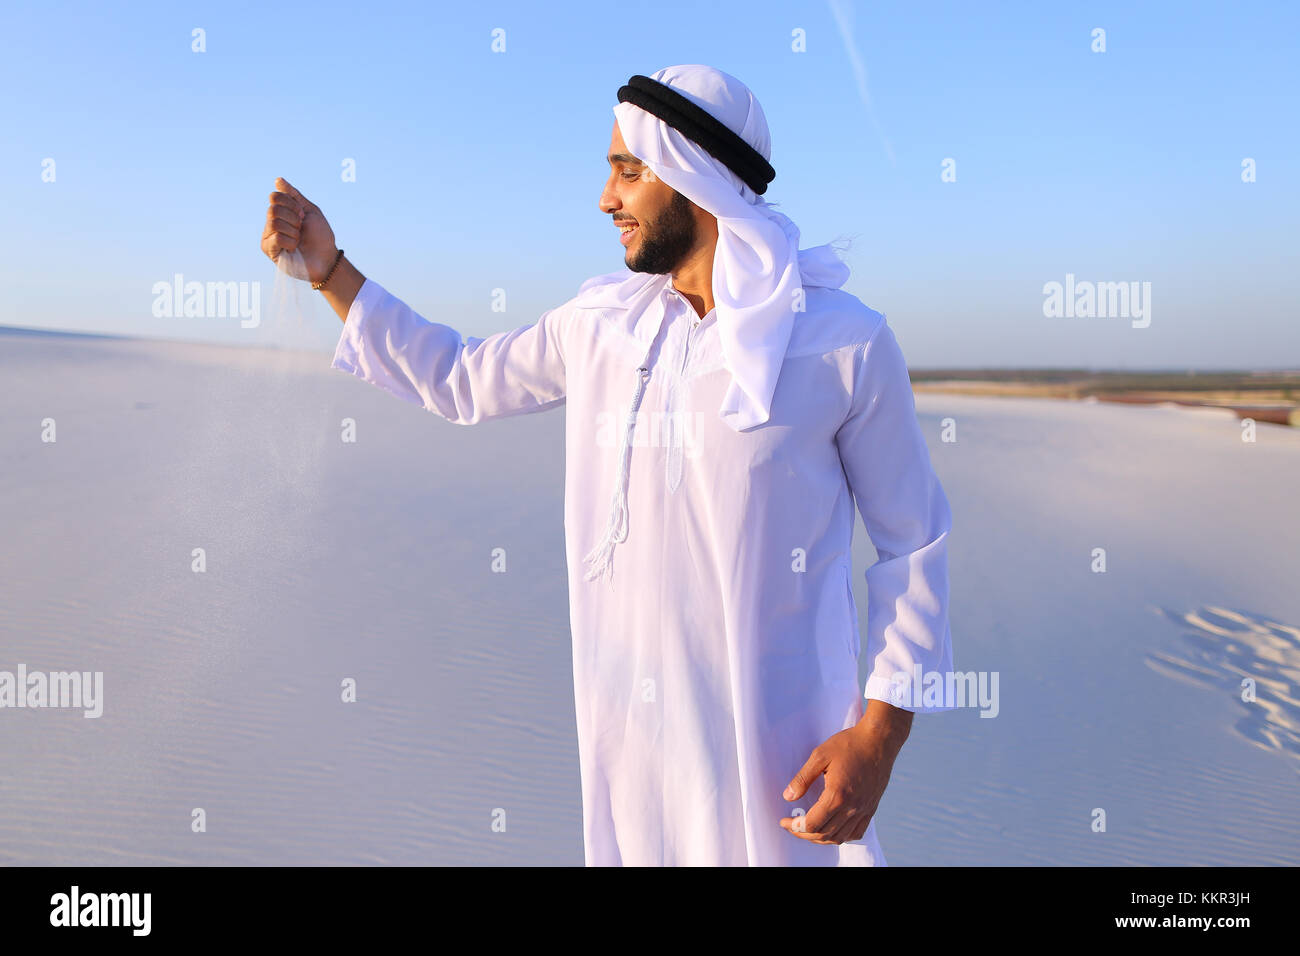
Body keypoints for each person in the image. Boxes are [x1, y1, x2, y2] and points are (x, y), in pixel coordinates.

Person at [259, 64, 956, 866]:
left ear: (696, 178)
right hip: (632, 764)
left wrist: (878, 737)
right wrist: (328, 268)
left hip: (782, 774)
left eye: (629, 172)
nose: (606, 198)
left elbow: (915, 544)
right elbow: (458, 376)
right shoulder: (601, 325)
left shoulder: (843, 341)